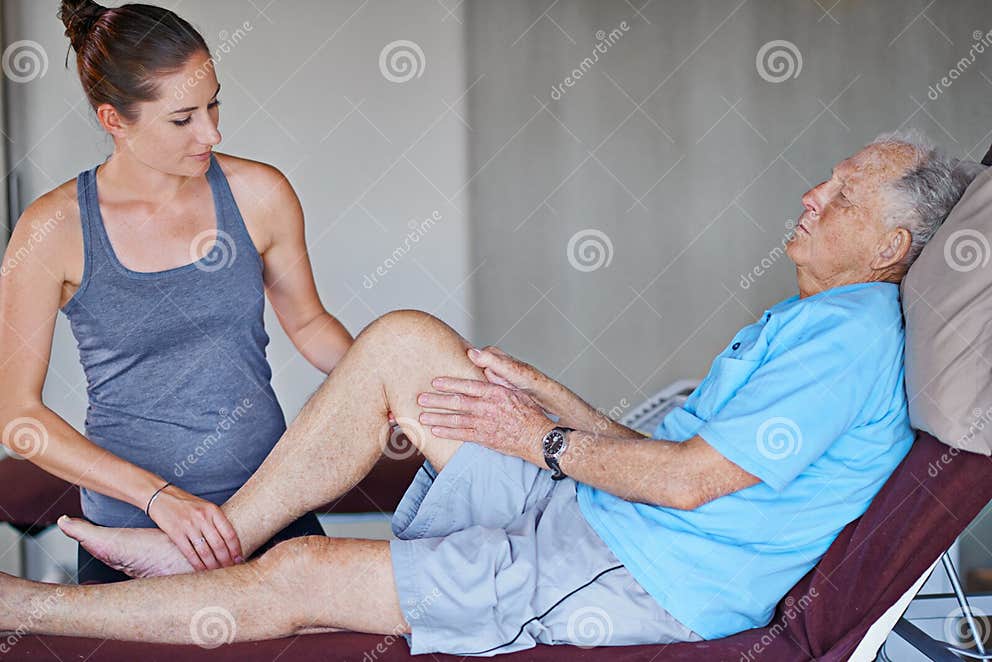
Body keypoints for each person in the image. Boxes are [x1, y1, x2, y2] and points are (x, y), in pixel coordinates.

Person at [0, 134, 980, 655]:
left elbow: (688, 485)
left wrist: (539, 441)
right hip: (606, 509)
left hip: (637, 570)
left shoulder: (848, 333)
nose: (810, 195)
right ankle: (203, 542)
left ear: (890, 249)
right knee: (405, 343)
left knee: (305, 573)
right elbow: (681, 453)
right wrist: (548, 402)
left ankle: (28, 610)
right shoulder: (811, 321)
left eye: (840, 195)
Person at [0, 0, 352, 583]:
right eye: (183, 118)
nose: (212, 132)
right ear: (115, 120)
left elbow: (310, 325)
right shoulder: (51, 228)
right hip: (134, 526)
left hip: (267, 507)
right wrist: (159, 498)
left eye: (214, 104)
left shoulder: (259, 193)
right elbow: (17, 417)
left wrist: (397, 386)